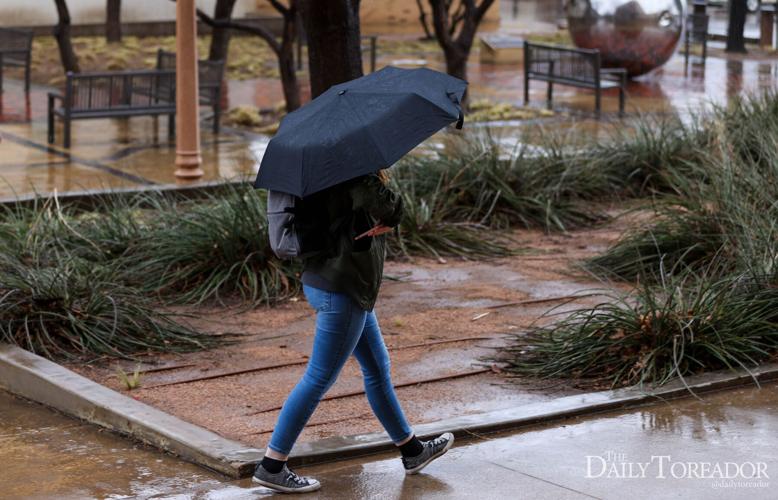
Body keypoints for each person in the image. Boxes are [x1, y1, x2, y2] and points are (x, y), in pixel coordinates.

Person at [252, 170, 454, 493]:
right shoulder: (350, 167)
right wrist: (379, 181)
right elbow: (390, 207)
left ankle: (412, 451)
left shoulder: (310, 169)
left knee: (376, 366)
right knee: (319, 377)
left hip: (330, 280)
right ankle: (272, 465)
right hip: (341, 287)